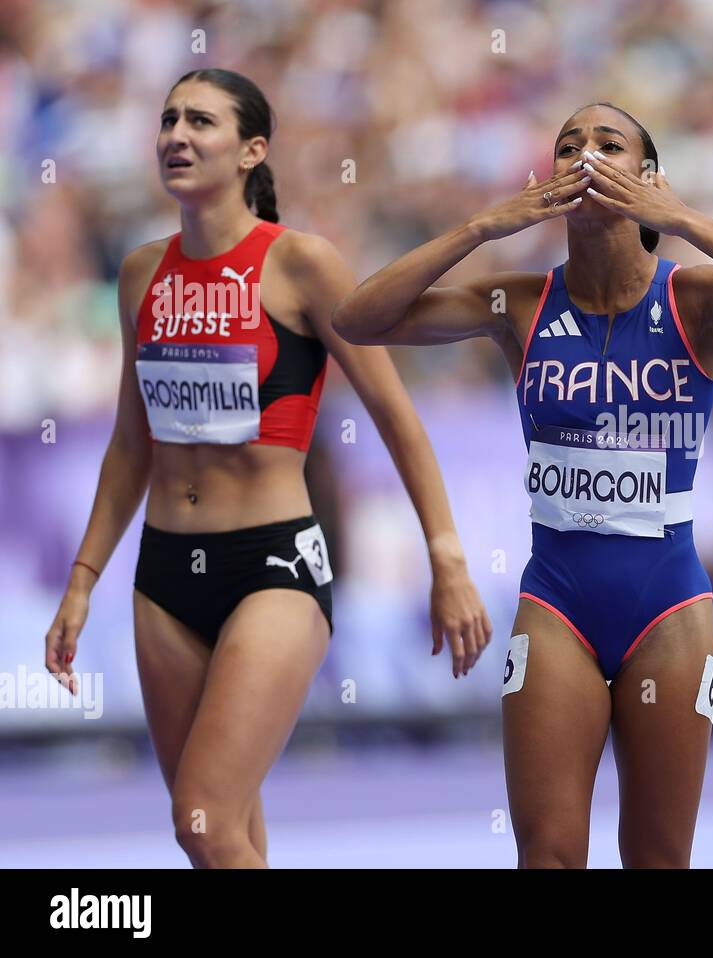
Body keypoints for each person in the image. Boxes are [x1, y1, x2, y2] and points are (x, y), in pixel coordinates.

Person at [333, 101, 713, 867]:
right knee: (549, 855)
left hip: (668, 607)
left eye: (610, 144)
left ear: (648, 176)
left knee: (658, 858)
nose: (587, 156)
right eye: (568, 146)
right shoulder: (520, 303)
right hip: (556, 601)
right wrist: (481, 228)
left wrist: (683, 218)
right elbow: (361, 320)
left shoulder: (694, 300)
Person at [43, 68, 491, 868]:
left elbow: (397, 418)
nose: (176, 135)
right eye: (168, 119)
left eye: (201, 122)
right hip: (164, 576)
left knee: (202, 819)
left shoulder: (302, 265)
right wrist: (82, 579)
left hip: (273, 567)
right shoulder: (141, 273)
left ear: (252, 150)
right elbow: (129, 442)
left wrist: (448, 557)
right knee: (230, 829)